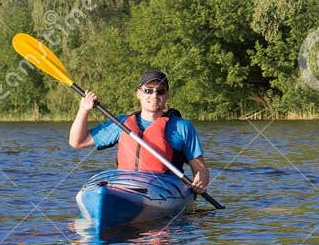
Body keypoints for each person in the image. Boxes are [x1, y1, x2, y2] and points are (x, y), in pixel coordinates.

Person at [68, 68, 212, 193]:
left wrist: (200, 180)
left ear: (166, 95)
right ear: (139, 93)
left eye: (160, 91)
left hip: (165, 190)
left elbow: (201, 169)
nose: (154, 96)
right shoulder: (121, 123)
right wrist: (84, 110)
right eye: (148, 90)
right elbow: (77, 142)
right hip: (126, 187)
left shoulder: (182, 127)